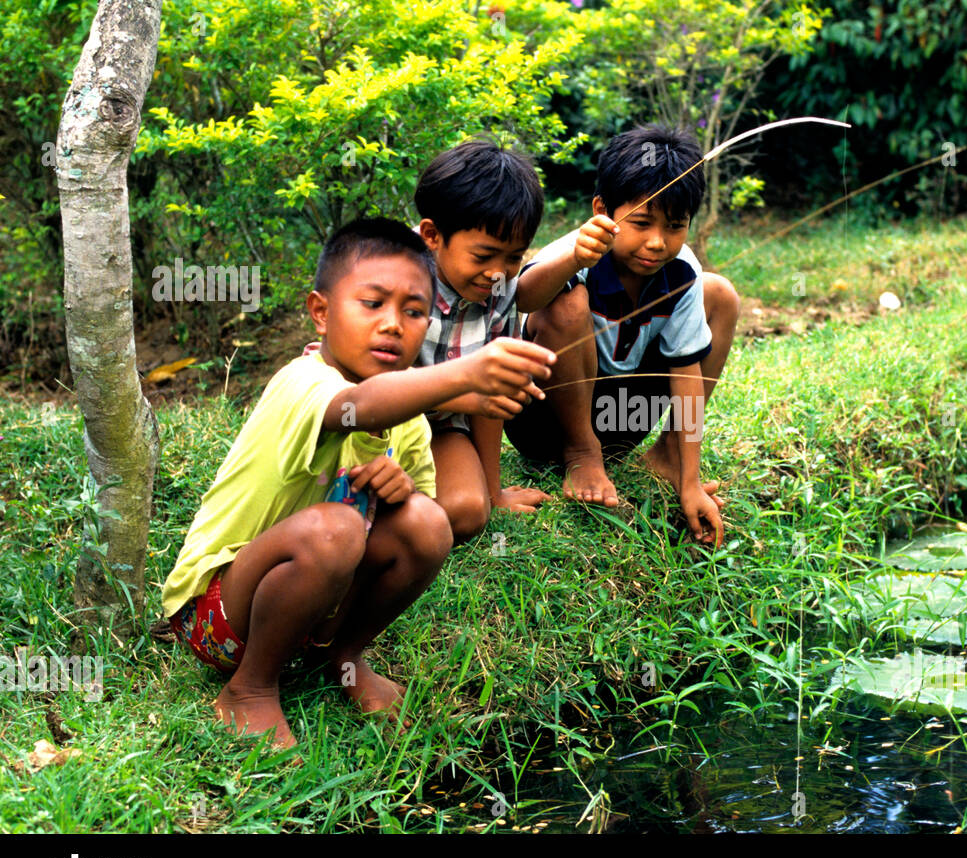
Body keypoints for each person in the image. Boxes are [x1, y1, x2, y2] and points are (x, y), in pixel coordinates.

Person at [161, 217, 555, 749]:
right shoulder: (303, 382)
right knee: (336, 530)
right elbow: (356, 408)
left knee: (427, 523)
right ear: (321, 313)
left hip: (313, 614)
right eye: (373, 305)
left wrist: (402, 491)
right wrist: (462, 376)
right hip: (219, 613)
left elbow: (409, 516)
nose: (393, 325)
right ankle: (249, 688)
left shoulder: (409, 420)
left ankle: (344, 657)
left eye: (414, 312)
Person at [508, 124, 739, 546]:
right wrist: (572, 259)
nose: (656, 242)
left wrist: (691, 481)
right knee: (566, 302)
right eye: (642, 222)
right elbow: (522, 298)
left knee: (720, 293)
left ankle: (667, 454)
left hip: (624, 419)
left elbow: (687, 376)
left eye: (674, 225)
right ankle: (582, 453)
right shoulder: (578, 251)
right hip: (544, 422)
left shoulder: (681, 271)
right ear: (603, 209)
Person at [410, 140, 555, 541]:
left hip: (439, 429)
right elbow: (369, 392)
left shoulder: (501, 291)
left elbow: (490, 402)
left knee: (468, 512)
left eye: (513, 258)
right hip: (369, 426)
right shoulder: (396, 281)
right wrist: (468, 395)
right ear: (432, 235)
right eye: (483, 256)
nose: (497, 274)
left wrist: (494, 492)